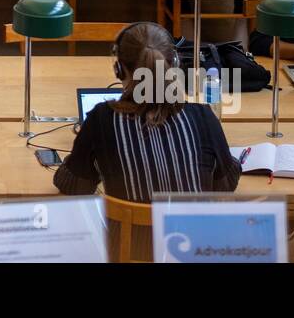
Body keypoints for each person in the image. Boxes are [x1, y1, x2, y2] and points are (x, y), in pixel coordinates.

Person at [54, 21, 240, 219]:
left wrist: (90, 159)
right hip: (192, 246)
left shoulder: (102, 119)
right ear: (174, 64)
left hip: (126, 249)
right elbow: (226, 185)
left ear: (119, 69)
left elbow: (73, 186)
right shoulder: (202, 117)